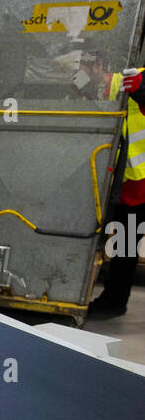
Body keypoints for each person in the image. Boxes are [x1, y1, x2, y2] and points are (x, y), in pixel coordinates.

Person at [88, 65, 145, 320]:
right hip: (124, 179)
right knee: (123, 244)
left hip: (138, 180)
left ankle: (114, 300)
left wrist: (142, 91)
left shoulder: (139, 78)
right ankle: (113, 299)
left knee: (126, 244)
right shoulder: (120, 77)